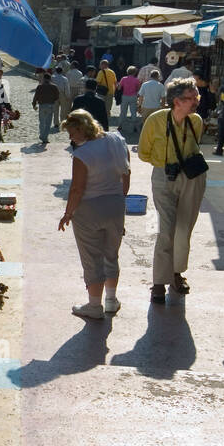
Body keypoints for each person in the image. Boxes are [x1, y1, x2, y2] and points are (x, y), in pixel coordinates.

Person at [138, 77, 207, 302]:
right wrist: (164, 162)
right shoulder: (155, 120)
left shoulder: (195, 121)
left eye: (196, 96)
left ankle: (177, 273)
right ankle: (159, 282)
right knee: (165, 230)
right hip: (164, 176)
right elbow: (143, 152)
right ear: (177, 101)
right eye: (192, 97)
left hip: (191, 177)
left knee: (184, 228)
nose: (196, 101)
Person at [58, 109, 131, 319]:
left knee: (91, 258)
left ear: (81, 128)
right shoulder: (118, 141)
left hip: (89, 209)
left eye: (72, 133)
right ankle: (111, 300)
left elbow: (77, 189)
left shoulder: (82, 154)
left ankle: (94, 306)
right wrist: (120, 200)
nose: (71, 138)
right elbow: (126, 174)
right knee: (111, 254)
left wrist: (68, 213)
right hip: (115, 205)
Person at [32, 69, 60, 144]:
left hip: (42, 105)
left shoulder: (40, 87)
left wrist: (34, 104)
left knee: (42, 121)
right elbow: (57, 97)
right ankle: (45, 137)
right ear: (50, 79)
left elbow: (35, 97)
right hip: (50, 105)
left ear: (44, 79)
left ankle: (42, 135)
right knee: (48, 122)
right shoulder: (54, 87)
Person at [118, 66, 141, 134]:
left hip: (125, 96)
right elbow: (138, 89)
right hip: (133, 96)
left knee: (123, 112)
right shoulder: (136, 80)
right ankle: (134, 126)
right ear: (135, 72)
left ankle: (120, 125)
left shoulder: (123, 79)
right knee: (133, 112)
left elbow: (119, 88)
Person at [50, 65, 70, 130]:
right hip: (62, 94)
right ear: (62, 71)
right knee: (63, 109)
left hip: (54, 94)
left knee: (55, 109)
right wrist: (67, 96)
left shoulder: (52, 78)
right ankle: (62, 122)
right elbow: (66, 88)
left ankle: (56, 123)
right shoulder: (64, 78)